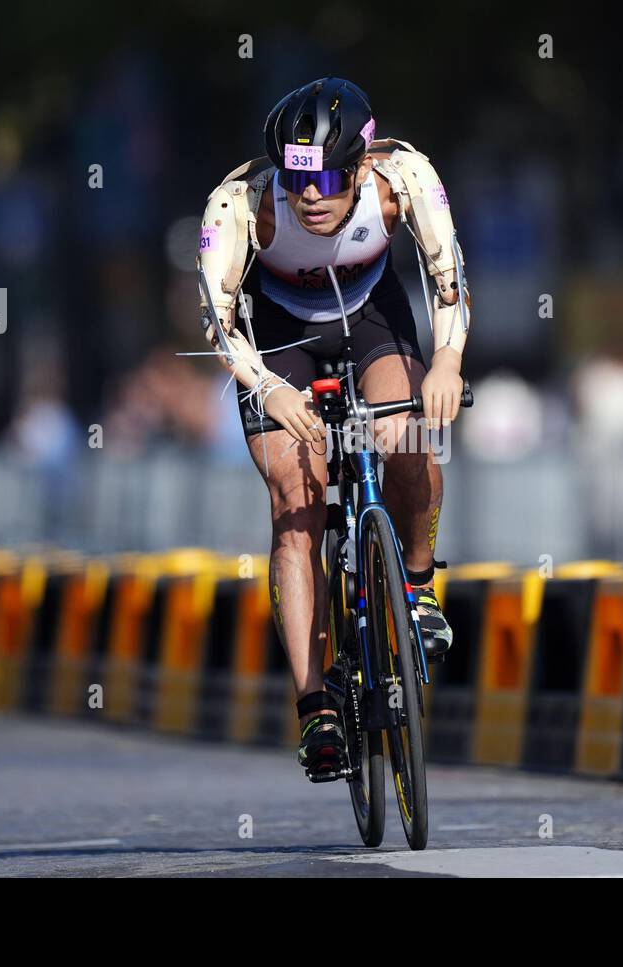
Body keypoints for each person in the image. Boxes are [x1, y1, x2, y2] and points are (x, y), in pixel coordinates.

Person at [195, 77, 471, 777]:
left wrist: (446, 363)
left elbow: (447, 277)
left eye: (325, 180)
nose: (309, 196)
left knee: (405, 436)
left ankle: (418, 582)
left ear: (361, 166)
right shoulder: (240, 204)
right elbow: (217, 321)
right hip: (277, 338)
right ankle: (314, 703)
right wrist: (266, 388)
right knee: (297, 500)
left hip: (371, 319)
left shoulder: (401, 177)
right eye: (296, 182)